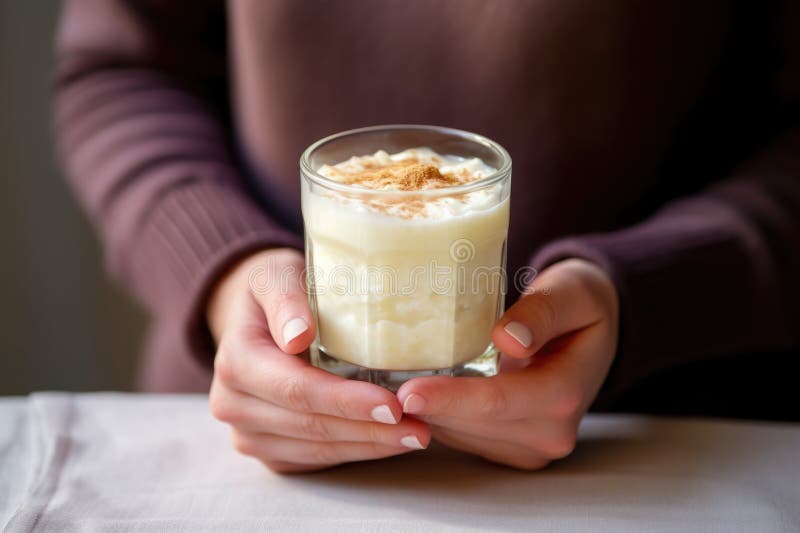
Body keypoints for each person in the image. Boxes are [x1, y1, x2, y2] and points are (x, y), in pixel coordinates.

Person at [54, 0, 800, 473]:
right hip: (253, 433)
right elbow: (121, 68)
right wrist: (227, 273)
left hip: (663, 448)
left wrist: (639, 292)